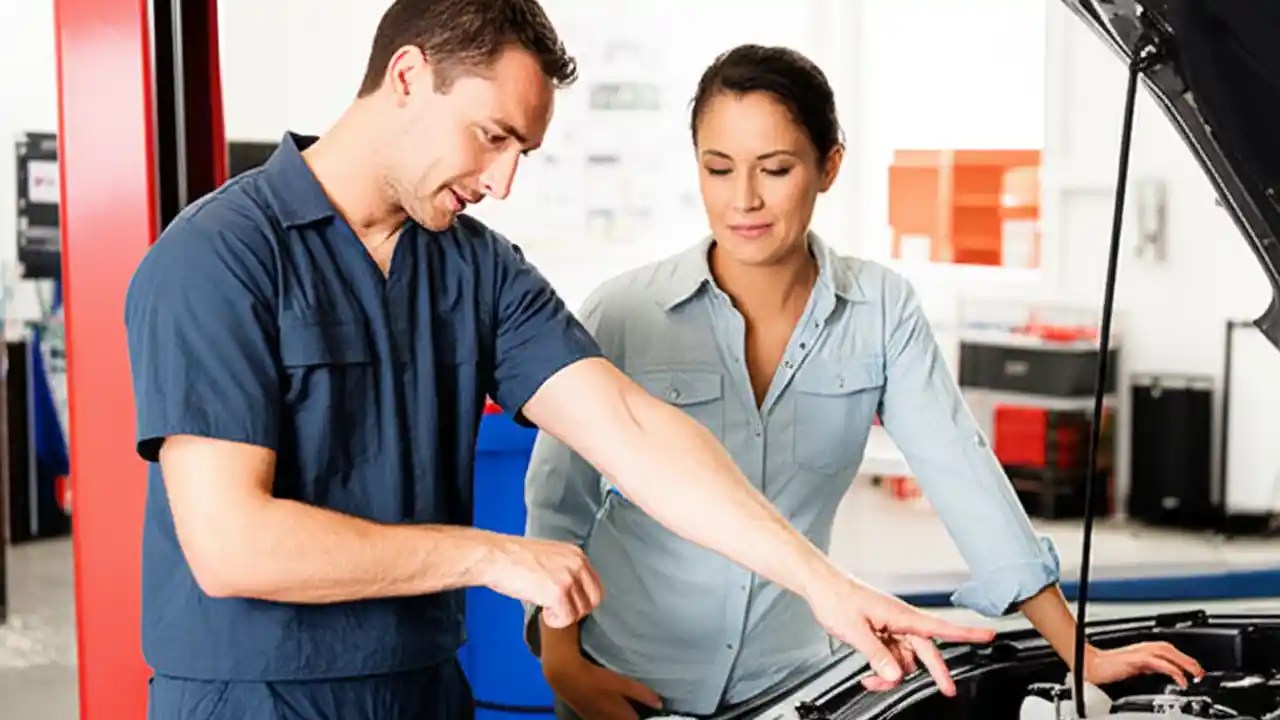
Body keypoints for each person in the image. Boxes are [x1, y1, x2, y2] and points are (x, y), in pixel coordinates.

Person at [122, 4, 997, 719]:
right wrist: (489, 555)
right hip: (255, 697)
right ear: (407, 77)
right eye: (491, 137)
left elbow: (632, 430)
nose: (502, 183)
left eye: (523, 154)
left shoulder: (472, 266)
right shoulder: (220, 259)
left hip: (424, 688)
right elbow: (231, 546)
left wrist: (824, 585)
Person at [524, 44, 1207, 720]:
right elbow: (561, 505)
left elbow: (963, 475)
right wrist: (565, 669)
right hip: (625, 680)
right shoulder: (623, 313)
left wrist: (1079, 655)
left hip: (789, 687)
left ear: (829, 167)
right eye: (718, 168)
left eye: (776, 168)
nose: (744, 199)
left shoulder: (880, 313)